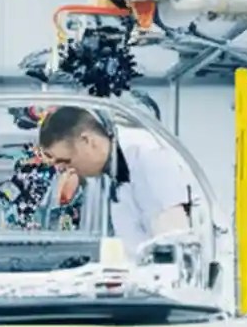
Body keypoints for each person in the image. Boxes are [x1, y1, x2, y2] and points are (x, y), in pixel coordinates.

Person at [37, 105, 191, 255]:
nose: (66, 170)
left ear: (87, 141)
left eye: (66, 161)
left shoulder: (149, 156)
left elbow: (173, 239)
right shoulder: (111, 169)